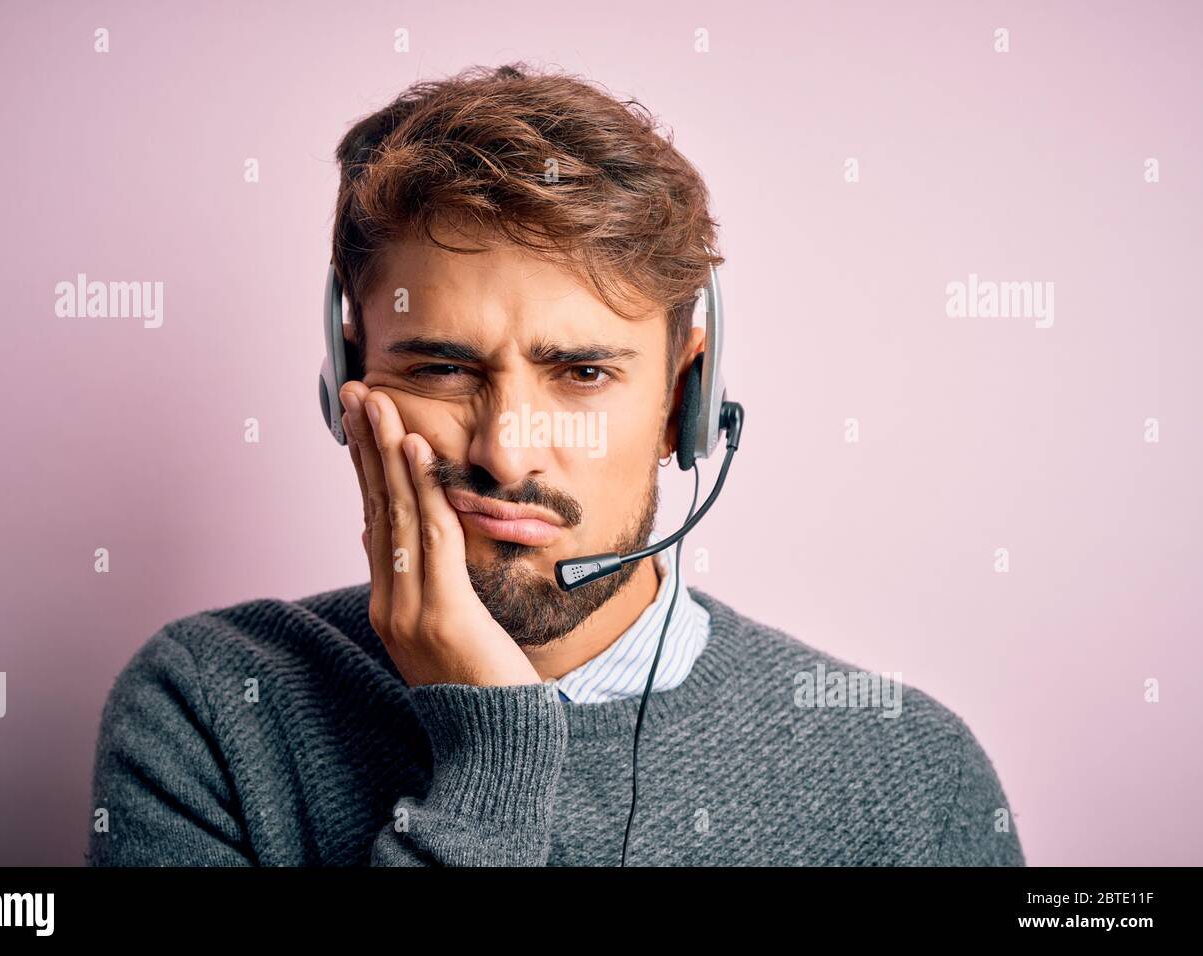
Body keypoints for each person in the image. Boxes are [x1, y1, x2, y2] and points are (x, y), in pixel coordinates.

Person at [87, 63, 1024, 867]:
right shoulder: (212, 708)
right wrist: (492, 755)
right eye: (444, 369)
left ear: (682, 408)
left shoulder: (909, 773)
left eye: (581, 373)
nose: (505, 452)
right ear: (348, 378)